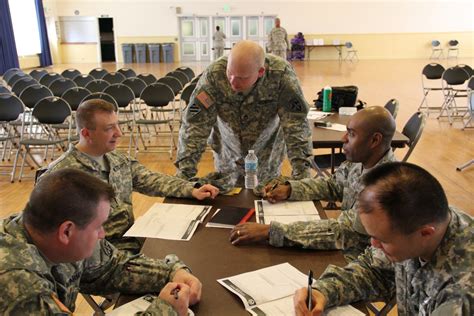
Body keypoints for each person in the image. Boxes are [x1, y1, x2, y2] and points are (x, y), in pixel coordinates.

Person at [0, 168, 203, 315]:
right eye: (97, 227)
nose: (102, 234)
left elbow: (112, 268)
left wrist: (171, 273)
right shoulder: (20, 287)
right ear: (66, 231)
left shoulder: (48, 229)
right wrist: (164, 311)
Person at [293, 162, 473, 316]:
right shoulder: (419, 221)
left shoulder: (461, 292)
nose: (373, 244)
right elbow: (374, 271)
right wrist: (324, 291)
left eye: (382, 240)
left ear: (425, 233)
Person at [42, 99, 219, 254]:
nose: (119, 133)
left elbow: (150, 179)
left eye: (117, 125)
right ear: (86, 133)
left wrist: (191, 189)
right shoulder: (61, 177)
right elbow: (53, 236)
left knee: (196, 247)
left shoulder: (117, 159)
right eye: (109, 128)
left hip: (131, 238)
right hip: (99, 256)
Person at [230, 106, 397, 261]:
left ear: (375, 140)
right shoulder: (360, 161)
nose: (343, 138)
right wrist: (290, 189)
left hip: (358, 261)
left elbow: (342, 232)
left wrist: (269, 231)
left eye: (352, 134)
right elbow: (333, 185)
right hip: (342, 250)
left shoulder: (385, 186)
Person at [175, 40, 312, 187]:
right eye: (230, 73)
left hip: (267, 161)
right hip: (227, 162)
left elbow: (296, 126)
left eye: (241, 78)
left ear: (260, 72)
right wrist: (184, 175)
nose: (233, 82)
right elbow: (194, 125)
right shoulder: (214, 76)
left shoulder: (281, 76)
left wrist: (301, 178)